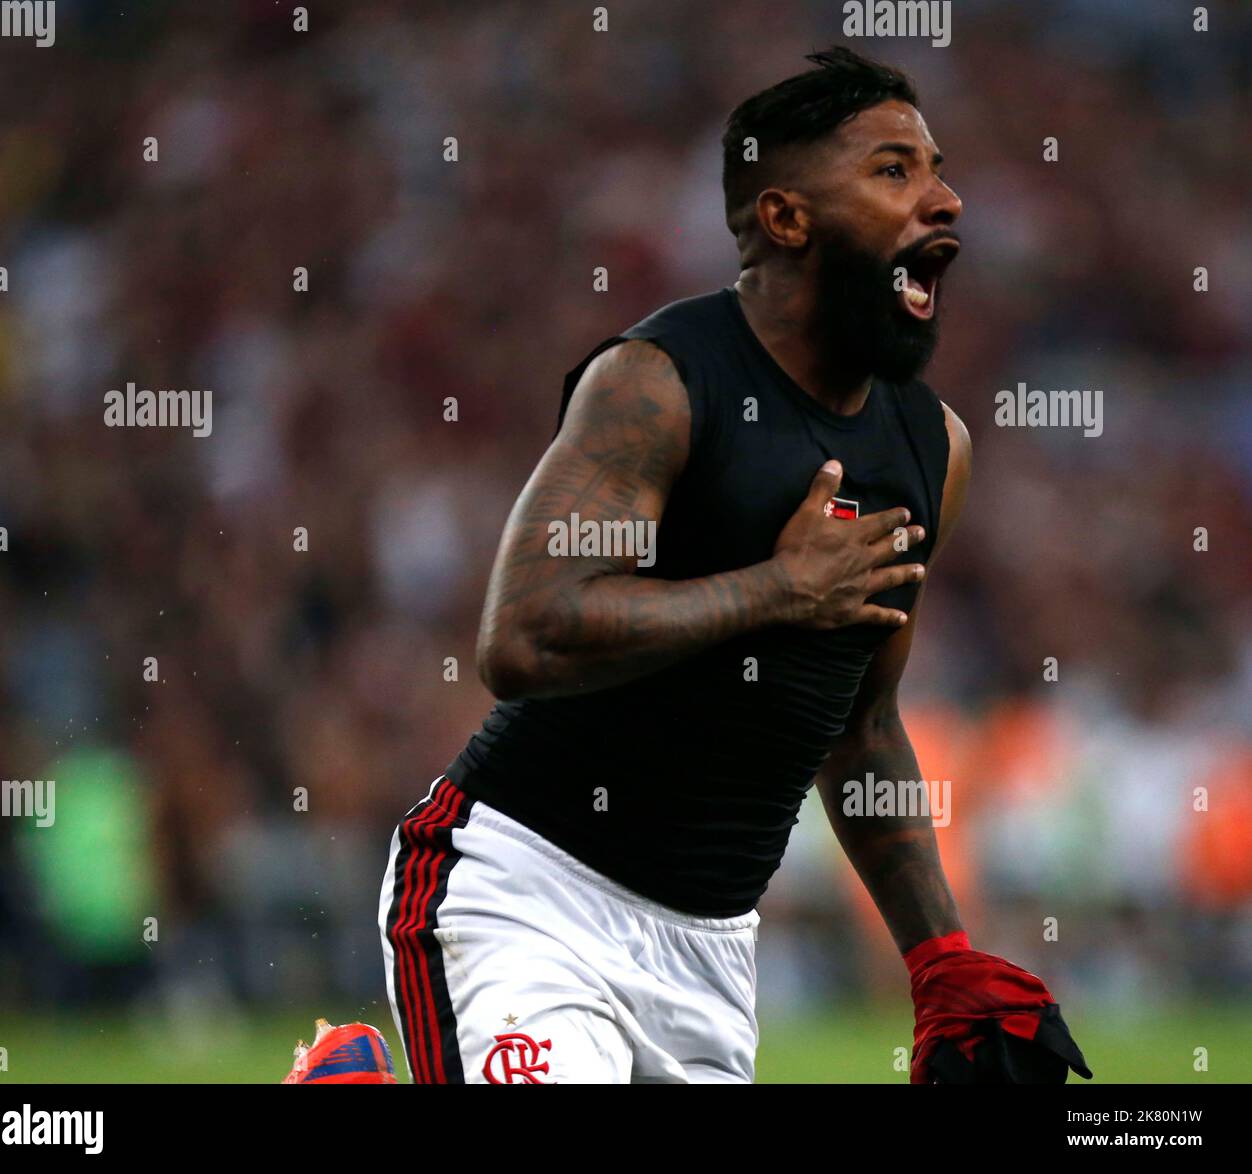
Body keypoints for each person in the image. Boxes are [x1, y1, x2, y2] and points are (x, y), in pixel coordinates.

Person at [379, 46, 1089, 1085]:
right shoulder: (657, 384)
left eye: (935, 168)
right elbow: (522, 633)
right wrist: (772, 590)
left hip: (711, 952)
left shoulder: (932, 450)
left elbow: (862, 725)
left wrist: (939, 957)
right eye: (893, 171)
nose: (944, 198)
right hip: (523, 889)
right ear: (785, 217)